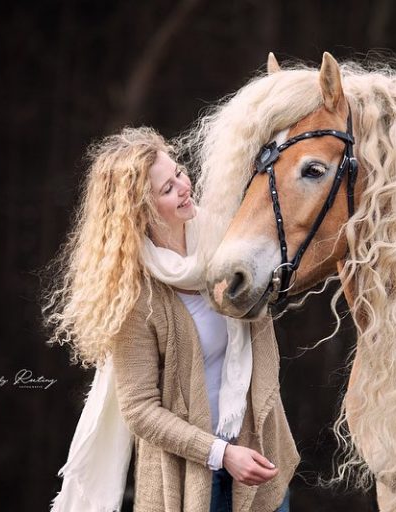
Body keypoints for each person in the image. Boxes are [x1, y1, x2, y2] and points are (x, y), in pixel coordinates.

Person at [43, 126, 299, 512]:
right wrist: (222, 454)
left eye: (179, 172)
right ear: (141, 212)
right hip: (194, 480)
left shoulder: (225, 245)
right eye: (167, 189)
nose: (183, 187)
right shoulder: (135, 297)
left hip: (259, 455)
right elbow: (140, 410)